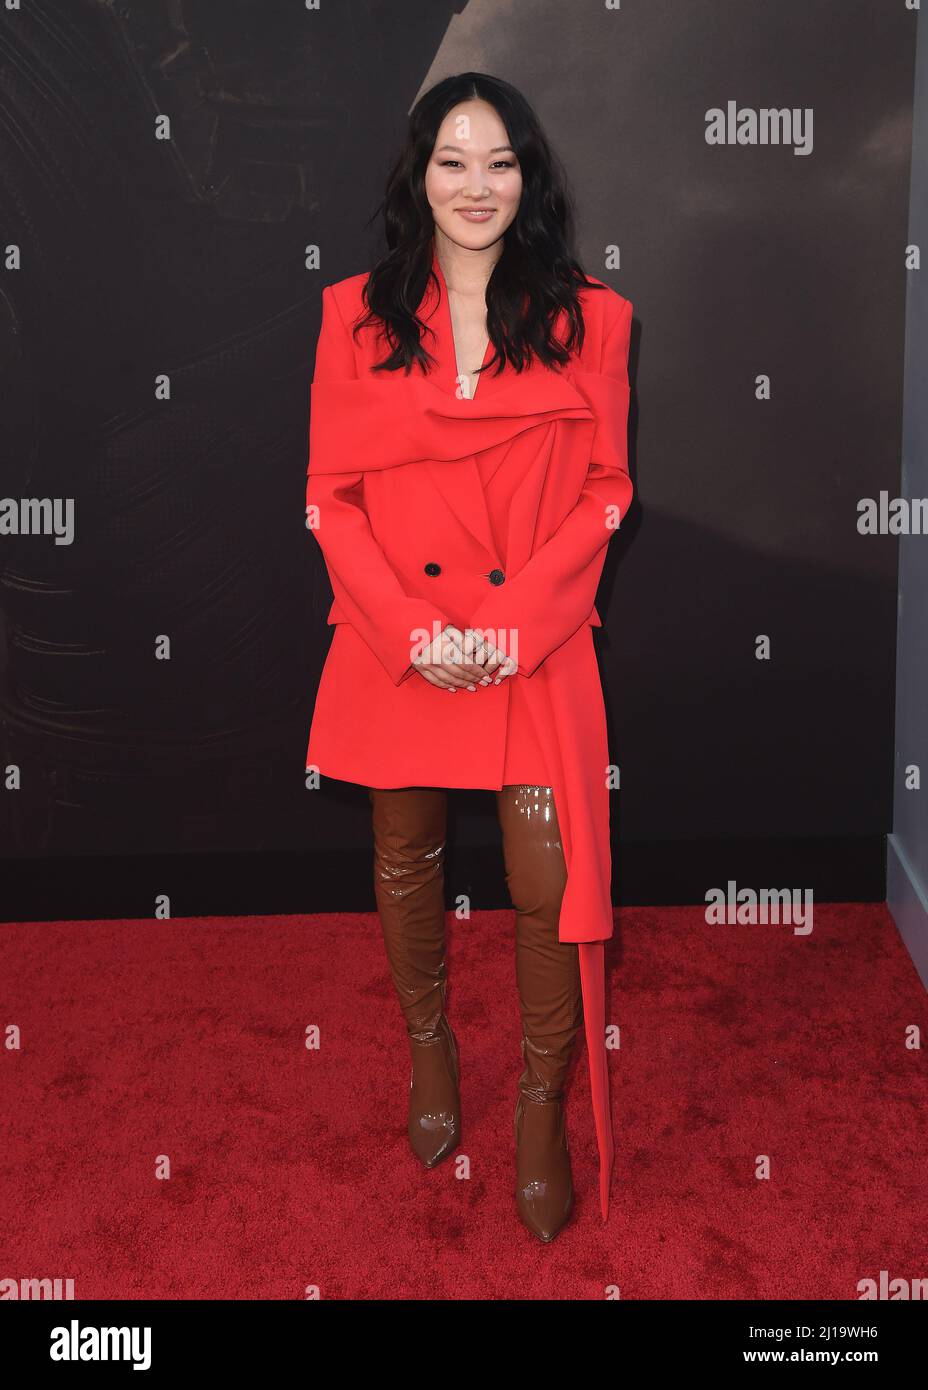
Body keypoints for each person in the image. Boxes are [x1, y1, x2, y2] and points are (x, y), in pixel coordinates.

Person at [305, 72, 633, 1242]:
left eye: (500, 161)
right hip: (402, 641)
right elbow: (329, 502)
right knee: (405, 851)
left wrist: (510, 627)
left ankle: (540, 1102)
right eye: (453, 159)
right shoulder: (353, 313)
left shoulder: (592, 317)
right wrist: (413, 632)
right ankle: (429, 1051)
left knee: (549, 880)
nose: (476, 184)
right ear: (419, 175)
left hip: (529, 644)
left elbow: (605, 494)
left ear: (528, 175)